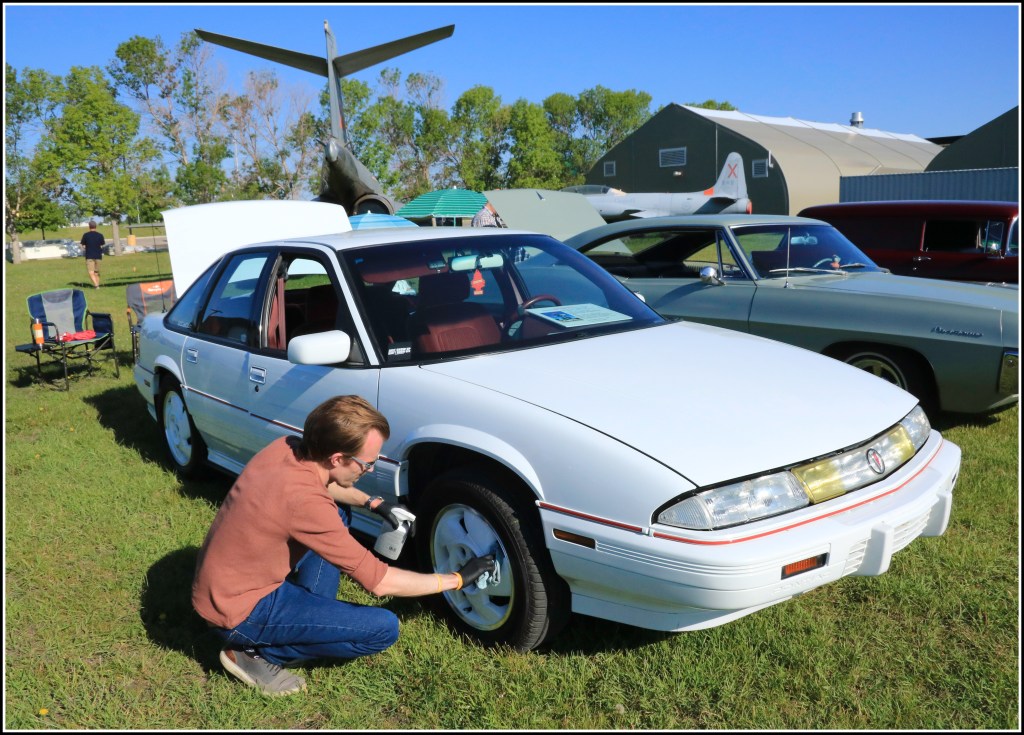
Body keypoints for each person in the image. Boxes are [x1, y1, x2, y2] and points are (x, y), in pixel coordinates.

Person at [192, 394, 494, 697]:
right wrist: (456, 579)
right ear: (337, 458)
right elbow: (381, 582)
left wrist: (375, 503)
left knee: (338, 510)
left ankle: (308, 613)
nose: (371, 470)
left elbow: (328, 486)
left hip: (223, 585)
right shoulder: (306, 504)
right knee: (382, 628)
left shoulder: (288, 447)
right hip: (236, 611)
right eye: (367, 463)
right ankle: (253, 655)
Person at [80, 221, 105, 289]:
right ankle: (97, 285)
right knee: (96, 272)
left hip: (89, 256)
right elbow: (102, 245)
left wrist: (85, 247)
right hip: (98, 256)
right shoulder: (100, 235)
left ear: (89, 226)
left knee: (91, 272)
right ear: (96, 226)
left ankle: (96, 285)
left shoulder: (86, 235)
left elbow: (82, 245)